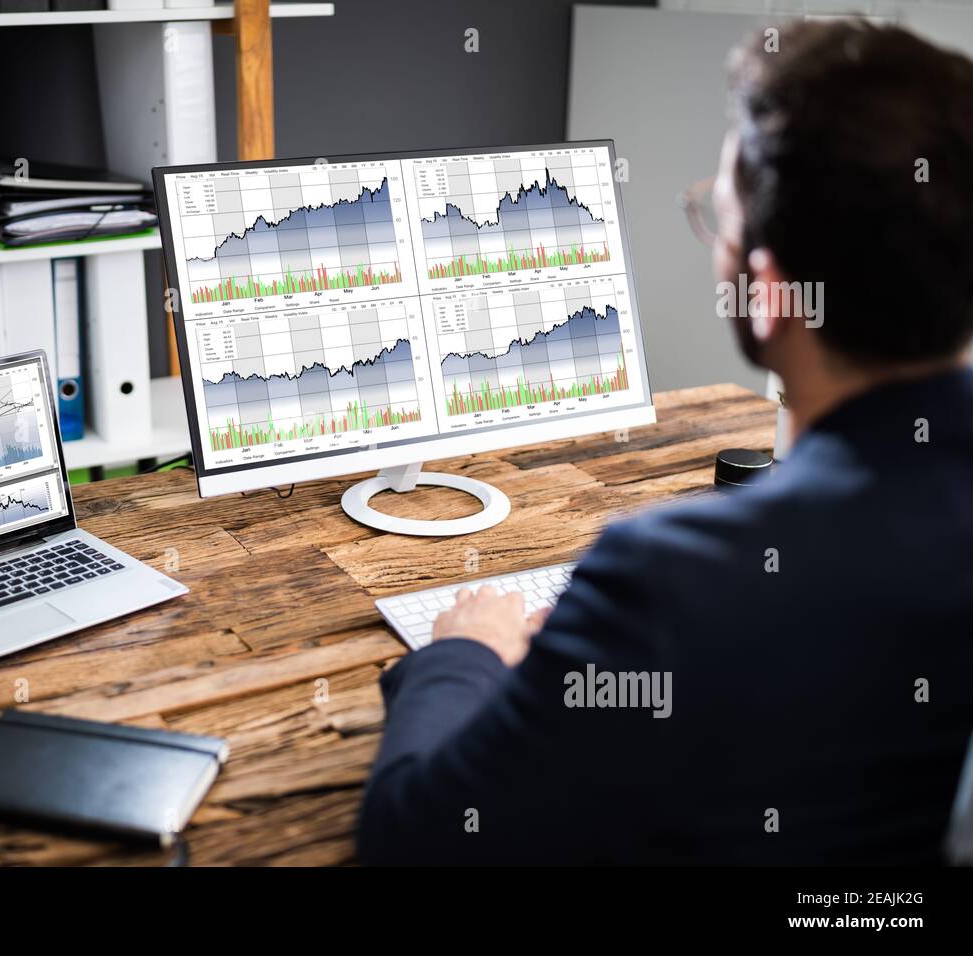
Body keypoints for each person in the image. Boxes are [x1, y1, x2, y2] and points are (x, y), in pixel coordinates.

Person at [358, 18, 973, 865]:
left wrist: (462, 654)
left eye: (714, 217)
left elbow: (416, 838)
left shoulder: (671, 580)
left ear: (767, 294)